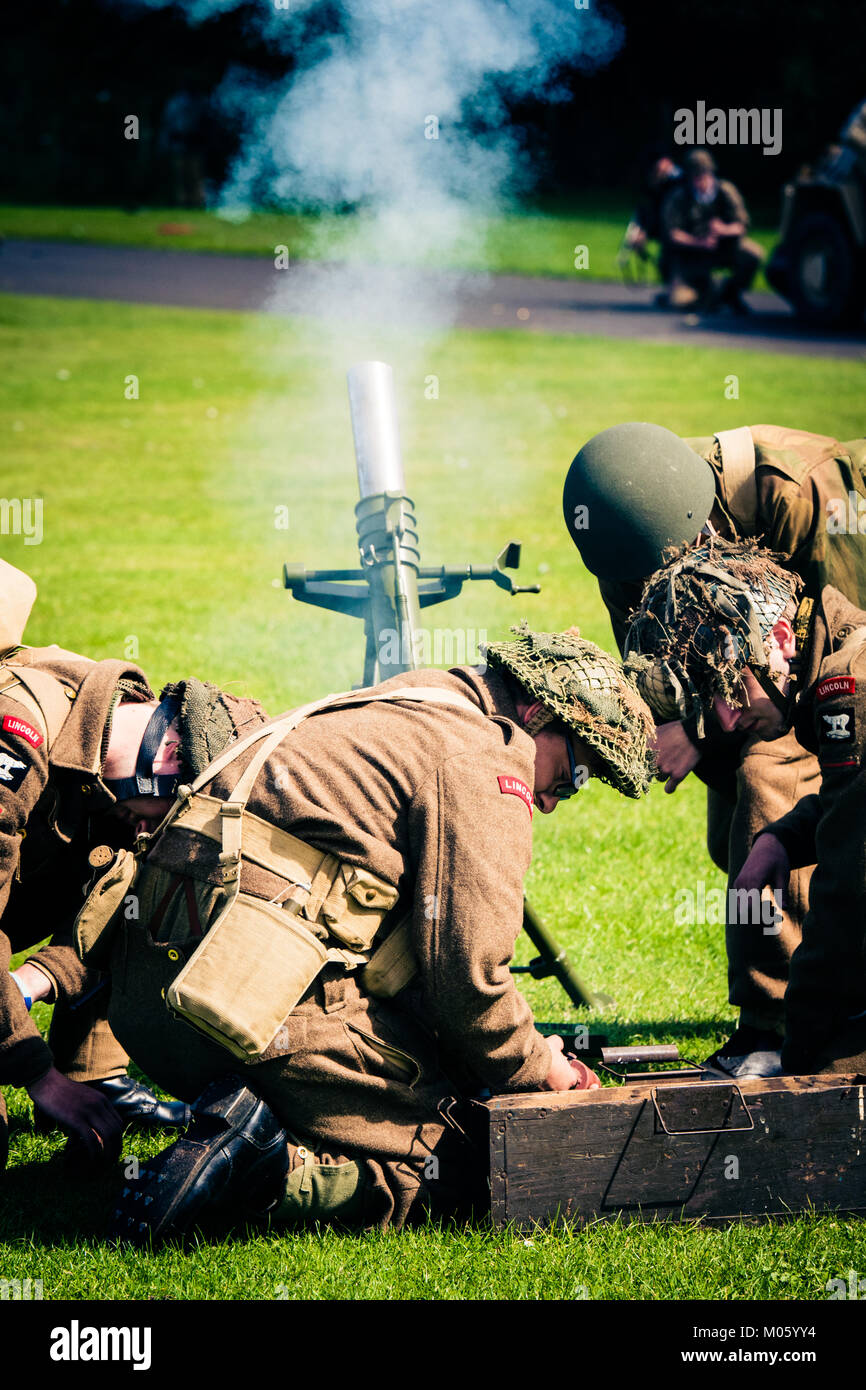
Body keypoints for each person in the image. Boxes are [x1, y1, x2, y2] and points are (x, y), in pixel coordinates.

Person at [80, 625, 654, 1246]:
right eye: (571, 776)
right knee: (463, 1155)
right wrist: (541, 1068)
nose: (553, 801)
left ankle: (261, 1111)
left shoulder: (413, 698)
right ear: (536, 713)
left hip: (151, 1009)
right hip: (243, 1002)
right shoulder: (484, 757)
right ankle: (268, 1160)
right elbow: (471, 979)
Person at [562, 420, 866, 1075]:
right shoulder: (625, 542)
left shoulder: (794, 490)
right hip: (761, 668)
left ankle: (776, 1022)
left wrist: (804, 1048)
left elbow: (849, 636)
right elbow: (653, 652)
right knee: (737, 834)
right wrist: (692, 722)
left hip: (831, 651)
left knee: (774, 794)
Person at [0, 560, 269, 1170]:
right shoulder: (18, 740)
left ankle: (93, 1075)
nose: (158, 825)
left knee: (138, 881)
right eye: (172, 805)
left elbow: (111, 901)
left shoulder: (105, 754)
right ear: (167, 752)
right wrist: (35, 1071)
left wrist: (38, 979)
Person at [624, 536, 866, 1077]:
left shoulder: (849, 689)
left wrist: (798, 1056)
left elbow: (848, 901)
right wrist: (781, 838)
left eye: (732, 691)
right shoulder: (837, 668)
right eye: (711, 702)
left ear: (781, 637)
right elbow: (850, 807)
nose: (728, 723)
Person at [662, 150, 764, 313]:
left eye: (703, 175)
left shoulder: (725, 191)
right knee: (680, 301)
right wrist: (699, 242)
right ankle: (705, 293)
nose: (700, 180)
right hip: (693, 255)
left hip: (724, 247)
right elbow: (673, 234)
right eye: (696, 176)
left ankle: (730, 293)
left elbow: (741, 225)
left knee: (753, 254)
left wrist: (723, 230)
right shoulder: (680, 197)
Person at [621, 152, 683, 297]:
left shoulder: (682, 181)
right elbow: (647, 207)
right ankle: (673, 290)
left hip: (681, 229)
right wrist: (641, 230)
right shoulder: (655, 181)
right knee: (665, 260)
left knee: (673, 259)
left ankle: (681, 290)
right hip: (664, 227)